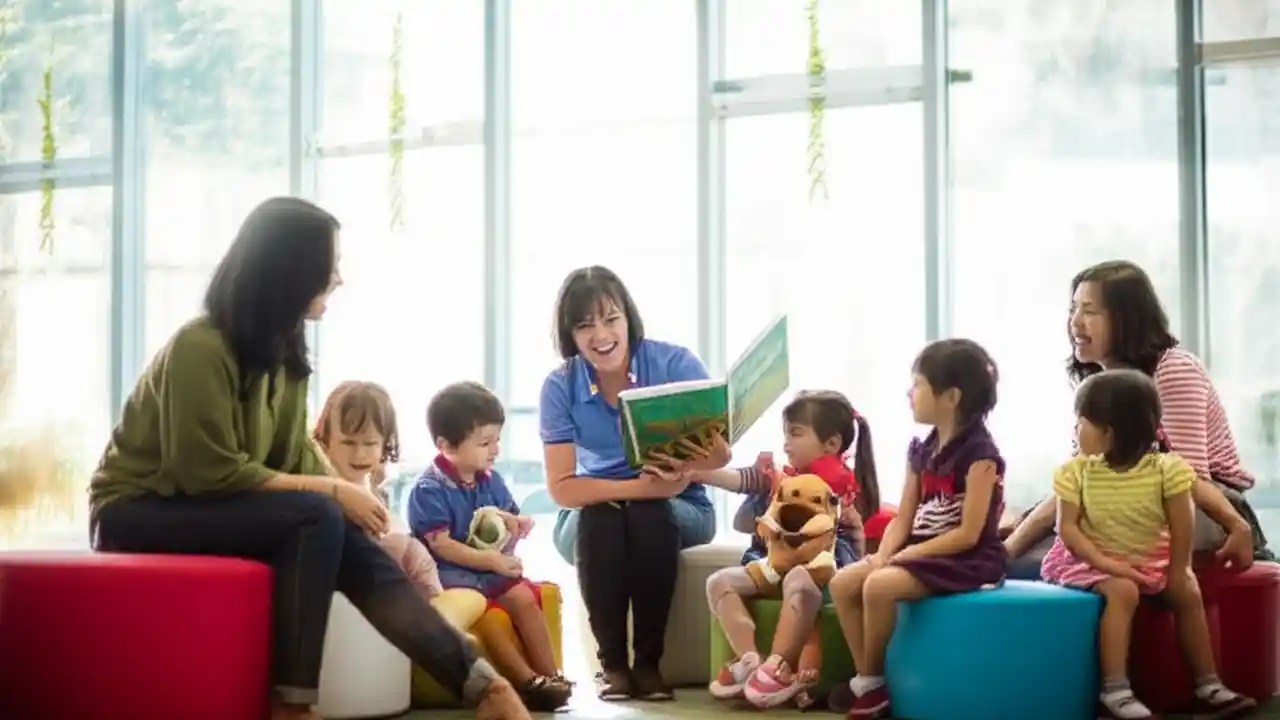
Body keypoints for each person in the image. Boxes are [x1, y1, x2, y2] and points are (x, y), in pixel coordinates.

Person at [88, 197, 527, 720]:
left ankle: (482, 686)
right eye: (329, 265)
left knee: (343, 532)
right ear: (290, 269)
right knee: (321, 513)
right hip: (137, 509)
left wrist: (356, 507)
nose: (338, 278)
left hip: (208, 506)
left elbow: (295, 453)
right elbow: (205, 473)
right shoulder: (199, 347)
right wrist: (335, 492)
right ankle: (292, 705)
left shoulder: (285, 352)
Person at [538, 265, 754, 701]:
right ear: (570, 335)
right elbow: (563, 488)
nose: (601, 335)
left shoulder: (675, 363)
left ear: (628, 319)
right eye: (585, 326)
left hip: (681, 504)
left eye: (610, 319)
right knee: (605, 516)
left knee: (648, 516)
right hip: (593, 509)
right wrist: (643, 488)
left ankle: (649, 664)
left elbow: (718, 456)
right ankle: (612, 666)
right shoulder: (560, 386)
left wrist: (682, 474)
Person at [1004, 260, 1261, 577]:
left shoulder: (1174, 369)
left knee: (1040, 557)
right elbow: (1079, 478)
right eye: (1073, 310)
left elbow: (1186, 477)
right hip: (1129, 497)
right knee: (1030, 553)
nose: (1075, 322)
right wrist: (1014, 544)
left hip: (1207, 505)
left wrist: (1015, 546)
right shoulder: (1100, 388)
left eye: (1090, 311)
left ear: (1126, 319)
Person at [1040, 369, 1255, 719]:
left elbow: (1181, 521)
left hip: (1148, 559)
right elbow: (1069, 531)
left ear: (1108, 432)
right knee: (1123, 590)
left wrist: (1179, 569)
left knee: (1187, 591)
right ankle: (1115, 691)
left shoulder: (1167, 470)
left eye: (1080, 422)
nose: (1075, 430)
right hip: (1087, 560)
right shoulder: (1074, 472)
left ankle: (1208, 685)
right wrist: (1112, 567)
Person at [828, 339, 1007, 719]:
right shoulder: (921, 451)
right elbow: (904, 517)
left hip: (964, 558)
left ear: (951, 397)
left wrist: (906, 556)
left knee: (878, 585)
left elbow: (969, 533)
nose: (909, 393)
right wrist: (884, 554)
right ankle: (870, 680)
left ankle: (872, 680)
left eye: (918, 384)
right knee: (844, 583)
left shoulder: (981, 456)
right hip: (919, 549)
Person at [704, 390, 879, 709]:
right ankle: (750, 661)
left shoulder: (833, 484)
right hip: (773, 563)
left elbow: (749, 480)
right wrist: (697, 473)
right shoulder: (788, 481)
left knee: (799, 578)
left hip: (820, 570)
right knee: (718, 582)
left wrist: (764, 481)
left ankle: (777, 667)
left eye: (796, 434)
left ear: (832, 445)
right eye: (786, 434)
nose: (786, 443)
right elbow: (745, 506)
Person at [408, 381, 572, 711]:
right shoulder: (428, 489)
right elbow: (443, 547)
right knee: (489, 616)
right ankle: (527, 682)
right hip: (452, 575)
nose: (495, 450)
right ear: (446, 445)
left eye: (497, 440)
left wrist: (518, 525)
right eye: (485, 442)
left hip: (488, 571)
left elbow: (508, 516)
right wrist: (491, 562)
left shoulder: (489, 478)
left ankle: (552, 676)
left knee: (524, 599)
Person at [312, 380, 487, 629]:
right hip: (348, 566)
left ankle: (439, 617)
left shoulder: (374, 482)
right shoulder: (325, 482)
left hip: (382, 578)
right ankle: (440, 623)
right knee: (409, 549)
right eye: (348, 443)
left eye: (370, 443)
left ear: (384, 443)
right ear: (326, 440)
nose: (359, 454)